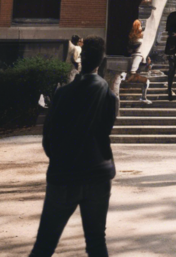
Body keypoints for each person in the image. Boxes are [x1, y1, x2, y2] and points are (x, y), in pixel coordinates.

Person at [28, 36, 119, 257]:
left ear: (80, 60)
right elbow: (105, 129)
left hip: (64, 175)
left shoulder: (62, 94)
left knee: (45, 244)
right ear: (102, 61)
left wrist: (60, 159)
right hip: (98, 173)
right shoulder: (108, 95)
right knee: (97, 242)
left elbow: (48, 139)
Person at [124, 20, 152, 105]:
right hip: (132, 72)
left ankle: (143, 97)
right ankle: (143, 97)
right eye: (140, 26)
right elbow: (133, 70)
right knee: (146, 81)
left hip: (130, 64)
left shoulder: (131, 38)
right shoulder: (140, 41)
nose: (141, 27)